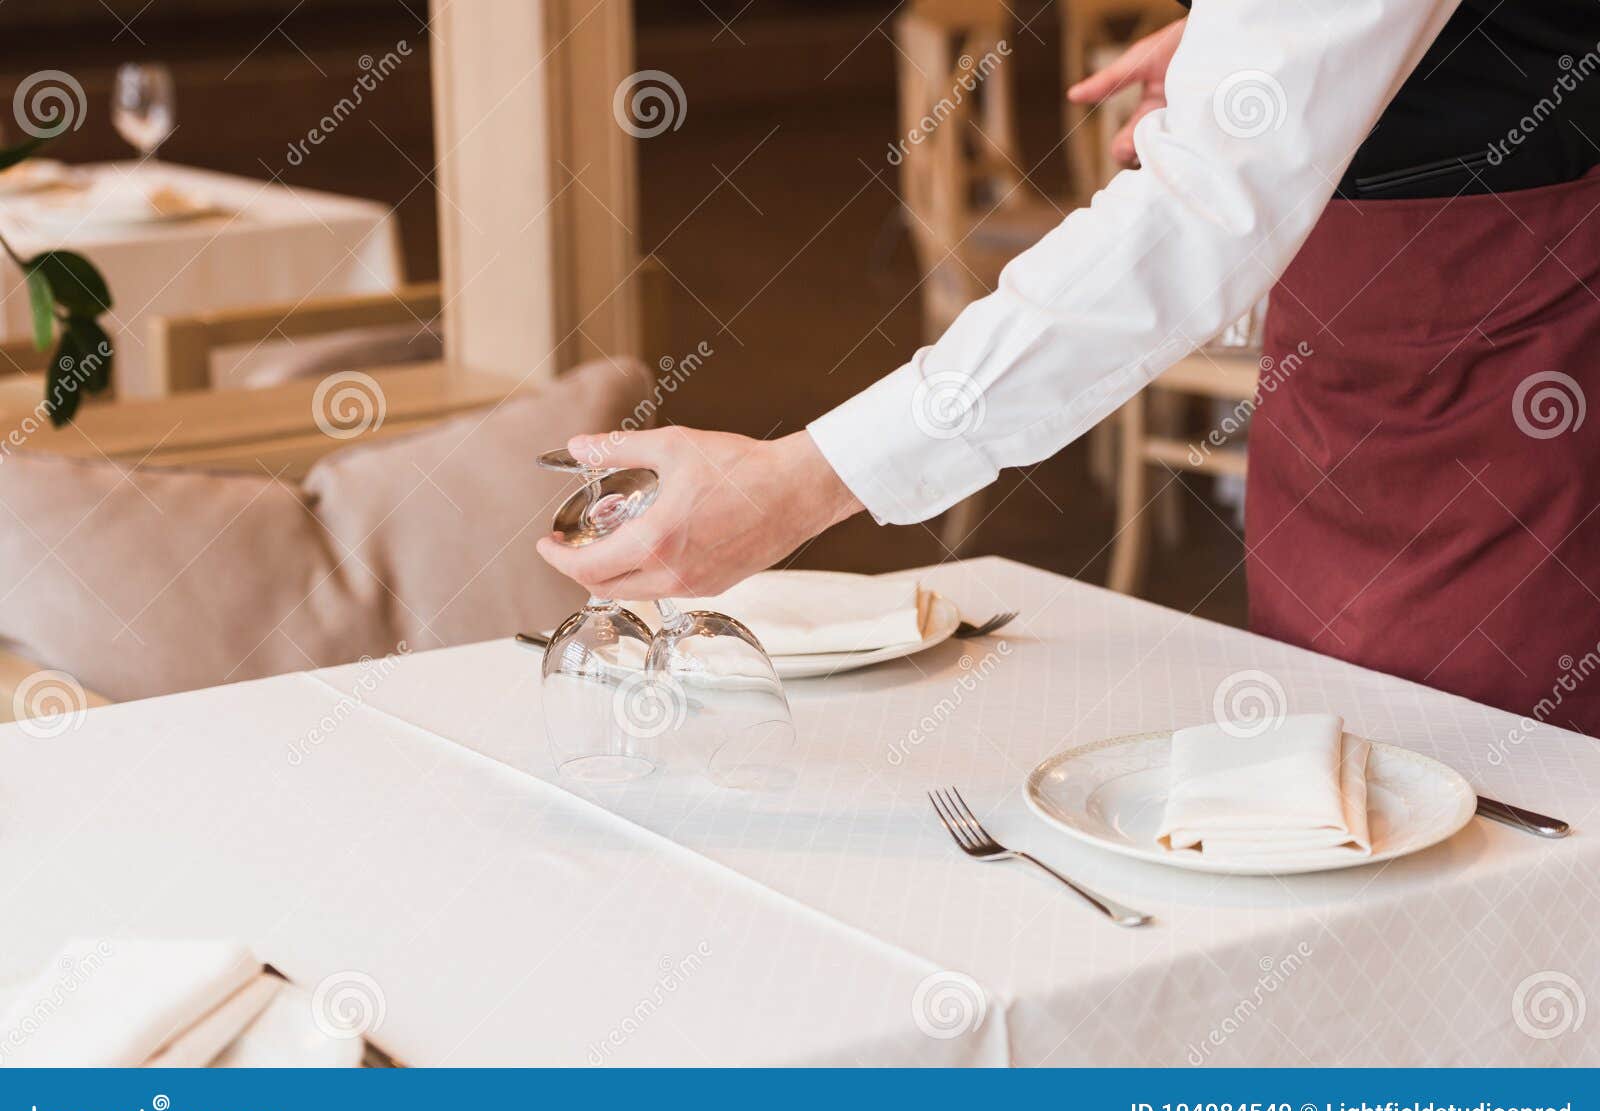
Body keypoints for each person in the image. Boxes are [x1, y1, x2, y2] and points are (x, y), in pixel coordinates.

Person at [539, 1, 1600, 733]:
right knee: (1334, 768)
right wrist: (1248, 47)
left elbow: (1197, 215)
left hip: (1502, 375)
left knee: (1491, 811)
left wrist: (805, 479)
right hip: (1351, 360)